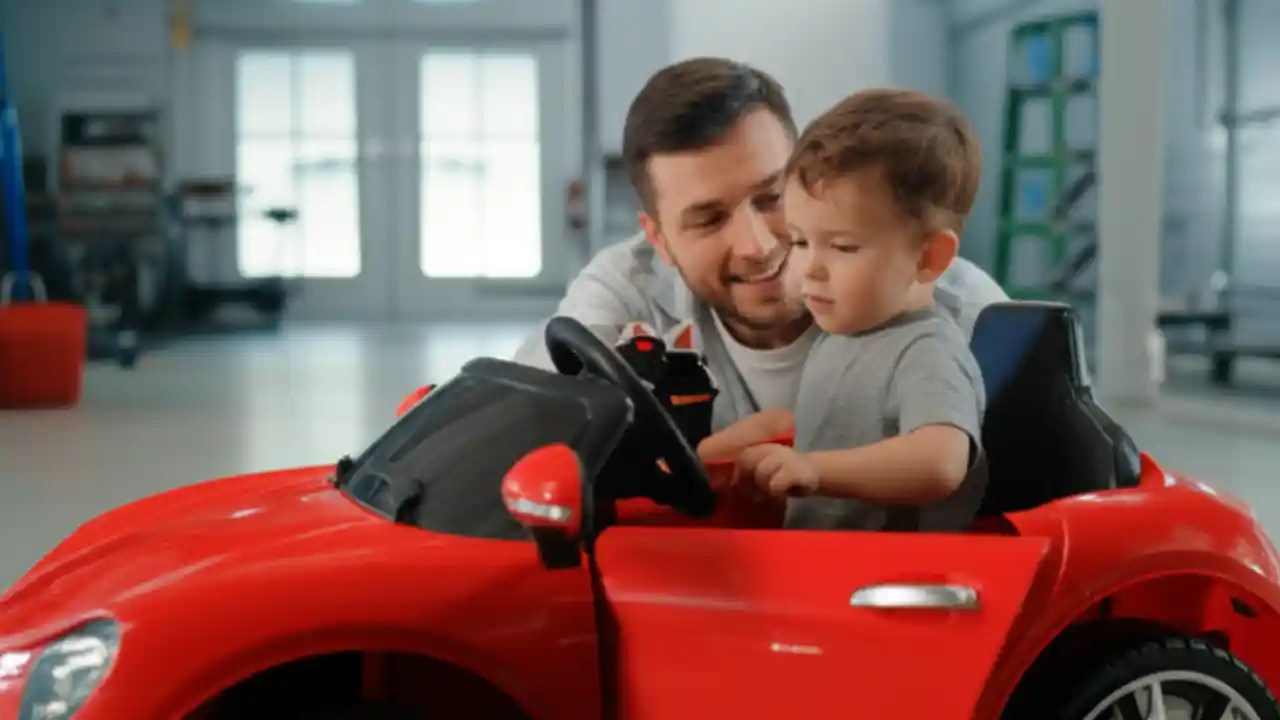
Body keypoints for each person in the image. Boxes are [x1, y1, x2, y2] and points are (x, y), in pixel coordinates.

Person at [513, 57, 1007, 434]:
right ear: (658, 239)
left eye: (773, 195)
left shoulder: (961, 310)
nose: (760, 243)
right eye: (709, 219)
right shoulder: (625, 290)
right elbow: (519, 421)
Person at [700, 88, 988, 533]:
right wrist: (707, 455)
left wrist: (815, 470)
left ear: (928, 257)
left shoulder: (926, 351)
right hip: (826, 566)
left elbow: (941, 459)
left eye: (843, 246)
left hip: (890, 584)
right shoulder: (843, 337)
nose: (808, 269)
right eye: (798, 241)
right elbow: (823, 423)